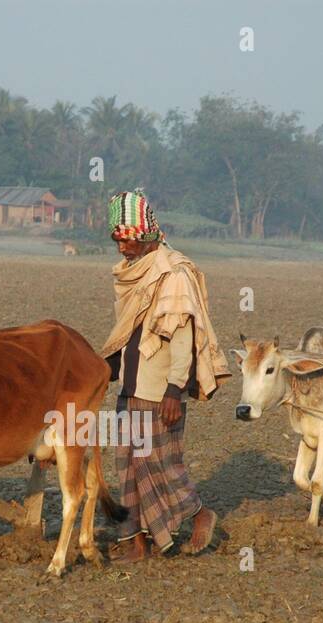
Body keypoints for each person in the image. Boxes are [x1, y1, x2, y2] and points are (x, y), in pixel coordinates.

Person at [99, 189, 230, 562]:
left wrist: (175, 390)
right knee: (127, 466)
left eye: (129, 240)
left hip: (159, 390)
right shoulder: (131, 272)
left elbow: (183, 334)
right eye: (118, 240)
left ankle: (199, 513)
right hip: (131, 384)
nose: (123, 248)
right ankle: (137, 543)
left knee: (159, 462)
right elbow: (128, 331)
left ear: (146, 235)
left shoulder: (172, 273)